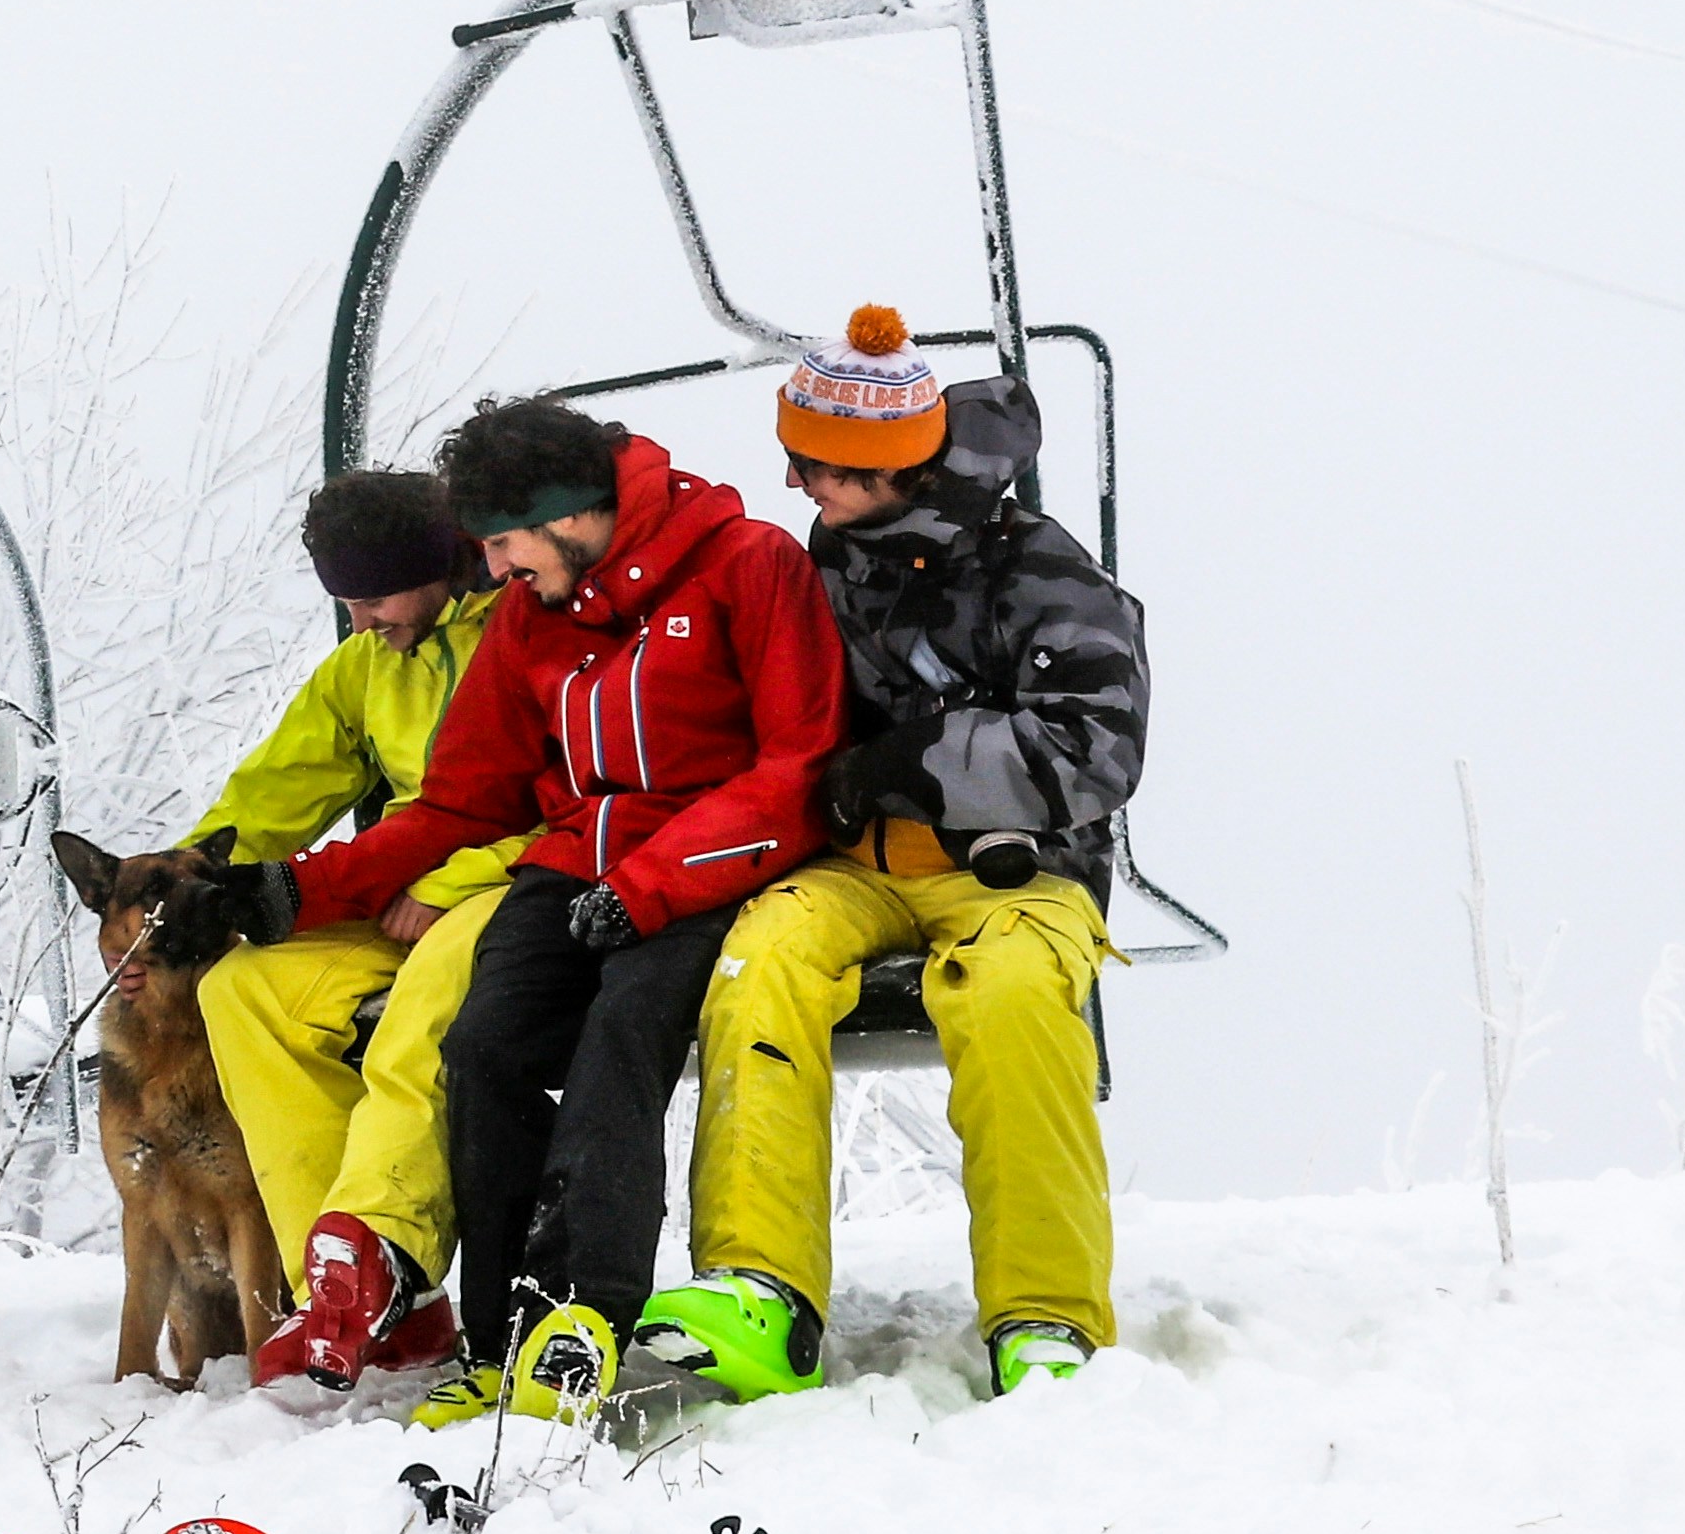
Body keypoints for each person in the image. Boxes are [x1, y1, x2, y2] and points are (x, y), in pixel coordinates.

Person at [268, 390, 845, 1423]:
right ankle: (496, 1337)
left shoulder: (746, 563)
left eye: (501, 544)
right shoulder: (536, 617)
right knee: (485, 1046)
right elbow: (462, 795)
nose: (492, 575)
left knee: (622, 1028)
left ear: (572, 515)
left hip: (711, 866)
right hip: (574, 867)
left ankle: (581, 1314)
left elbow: (794, 764)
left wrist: (653, 886)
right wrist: (297, 888)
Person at [638, 305, 1151, 1404]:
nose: (797, 486)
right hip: (852, 866)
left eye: (818, 467)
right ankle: (756, 1285)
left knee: (1011, 997)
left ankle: (1046, 1316)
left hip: (1005, 868)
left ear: (894, 466)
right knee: (759, 959)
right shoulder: (825, 562)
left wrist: (918, 761)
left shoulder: (1037, 575)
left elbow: (1097, 746)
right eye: (793, 459)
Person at [124, 471, 527, 1393]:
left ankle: (384, 1253)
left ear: (437, 567)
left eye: (375, 597)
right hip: (404, 893)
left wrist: (450, 878)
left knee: (425, 1002)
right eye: (345, 603)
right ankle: (346, 1291)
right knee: (245, 988)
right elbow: (278, 789)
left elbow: (570, 796)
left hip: (516, 887)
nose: (361, 621)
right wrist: (191, 883)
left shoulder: (521, 632)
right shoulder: (366, 666)